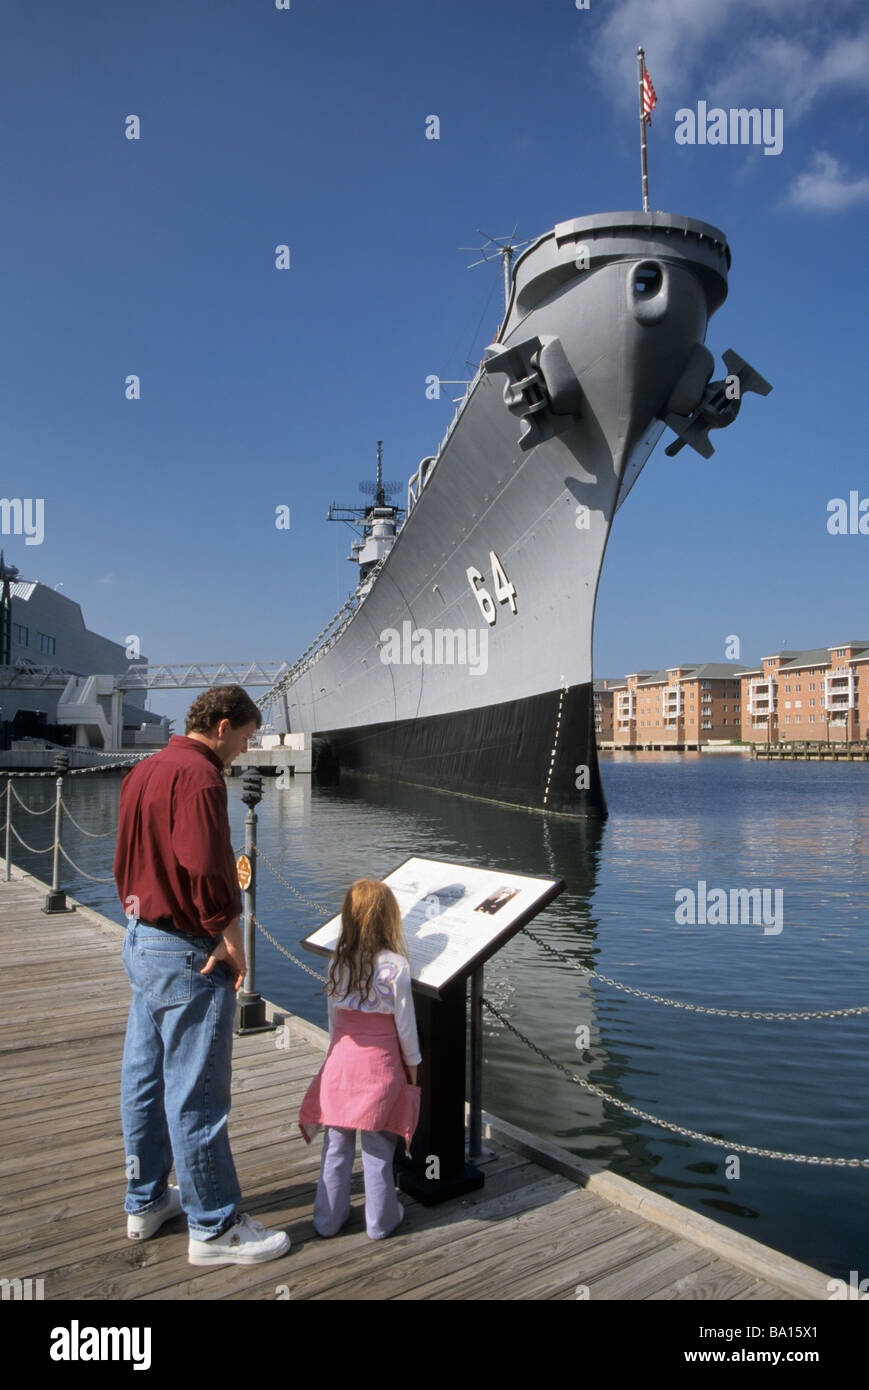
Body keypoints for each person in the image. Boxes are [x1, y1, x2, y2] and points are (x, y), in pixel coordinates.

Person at [113, 684, 290, 1266]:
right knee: (199, 1092)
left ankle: (145, 1202)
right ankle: (213, 1225)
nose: (242, 751)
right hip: (189, 951)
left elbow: (123, 860)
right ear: (220, 725)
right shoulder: (201, 777)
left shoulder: (144, 772)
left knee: (144, 1078)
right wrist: (230, 938)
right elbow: (207, 867)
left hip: (141, 939)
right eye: (243, 737)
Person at [299, 879, 421, 1240]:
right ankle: (380, 1222)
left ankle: (327, 1220)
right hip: (380, 1069)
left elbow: (334, 1023)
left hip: (340, 1064)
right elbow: (406, 1029)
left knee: (335, 1146)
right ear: (388, 919)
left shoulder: (336, 963)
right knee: (379, 1148)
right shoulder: (397, 967)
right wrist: (412, 1070)